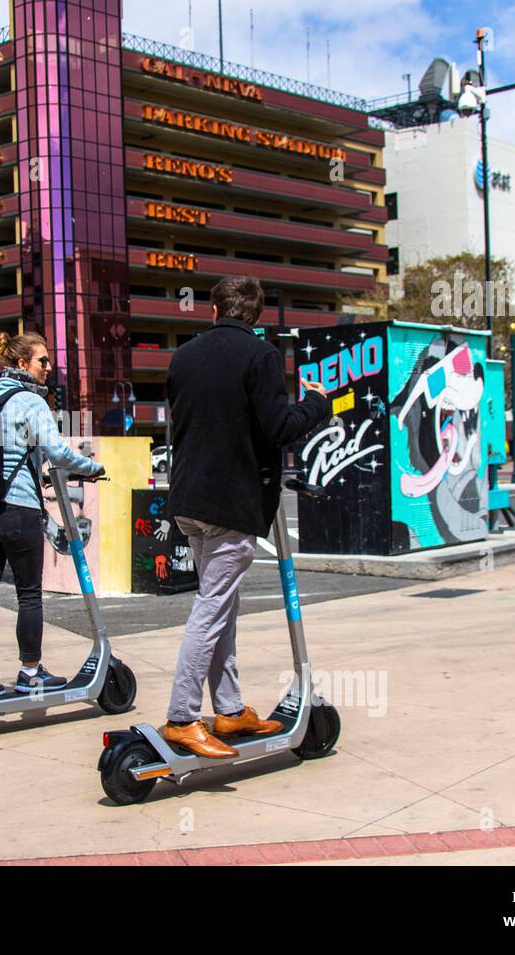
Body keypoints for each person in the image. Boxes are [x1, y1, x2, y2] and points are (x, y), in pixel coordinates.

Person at [163, 276, 330, 757]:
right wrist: (315, 404)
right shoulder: (262, 357)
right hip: (229, 505)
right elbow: (279, 427)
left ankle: (231, 709)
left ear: (213, 309)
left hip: (188, 501)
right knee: (212, 609)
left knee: (221, 608)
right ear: (255, 317)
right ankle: (180, 717)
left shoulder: (184, 355)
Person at [0, 331, 105, 699]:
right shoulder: (30, 400)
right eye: (42, 361)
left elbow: (5, 452)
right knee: (29, 595)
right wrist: (91, 467)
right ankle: (30, 671)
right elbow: (57, 451)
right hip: (19, 510)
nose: (49, 367)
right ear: (22, 364)